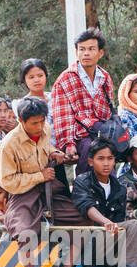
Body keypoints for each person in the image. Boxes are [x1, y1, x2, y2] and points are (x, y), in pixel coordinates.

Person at [0, 96, 90, 267]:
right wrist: (38, 176)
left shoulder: (45, 130)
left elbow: (46, 149)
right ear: (21, 121)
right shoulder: (8, 145)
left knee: (82, 222)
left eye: (42, 121)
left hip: (49, 187)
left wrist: (55, 153)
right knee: (25, 233)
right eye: (34, 123)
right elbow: (6, 181)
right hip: (23, 192)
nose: (39, 126)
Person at [70, 136, 137, 267]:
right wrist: (105, 221)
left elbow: (119, 220)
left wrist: (113, 226)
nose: (106, 163)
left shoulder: (119, 187)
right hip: (86, 241)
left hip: (110, 239)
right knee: (134, 225)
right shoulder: (82, 181)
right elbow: (87, 206)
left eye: (110, 158)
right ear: (90, 161)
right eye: (101, 158)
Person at [49, 28, 115, 172]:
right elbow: (63, 116)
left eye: (91, 49)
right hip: (80, 136)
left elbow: (109, 111)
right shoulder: (65, 79)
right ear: (76, 52)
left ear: (100, 53)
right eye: (82, 49)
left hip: (102, 133)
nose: (86, 53)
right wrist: (69, 144)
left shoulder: (105, 77)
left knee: (110, 165)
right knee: (89, 160)